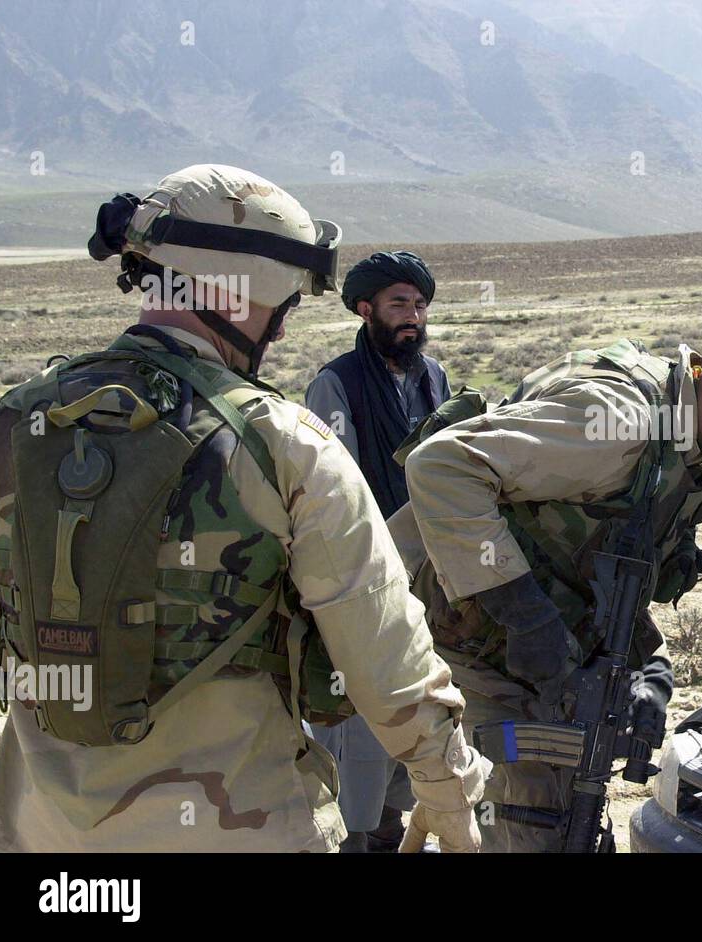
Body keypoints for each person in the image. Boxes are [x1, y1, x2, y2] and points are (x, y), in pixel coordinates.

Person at [0, 164, 487, 852]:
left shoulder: (15, 423)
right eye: (281, 309)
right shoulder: (282, 446)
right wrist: (452, 797)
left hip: (39, 841)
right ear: (240, 287)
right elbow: (390, 665)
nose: (280, 335)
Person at [399, 296, 702, 851]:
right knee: (536, 825)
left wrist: (647, 668)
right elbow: (441, 466)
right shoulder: (622, 422)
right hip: (465, 634)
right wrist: (526, 617)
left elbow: (604, 571)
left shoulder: (686, 455)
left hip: (524, 644)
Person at [302, 251, 451, 852]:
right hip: (363, 583)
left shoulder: (432, 377)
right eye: (399, 305)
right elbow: (334, 494)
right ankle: (352, 838)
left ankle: (395, 828)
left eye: (419, 306)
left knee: (420, 713)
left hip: (431, 575)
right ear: (366, 310)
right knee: (359, 724)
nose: (412, 317)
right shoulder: (335, 384)